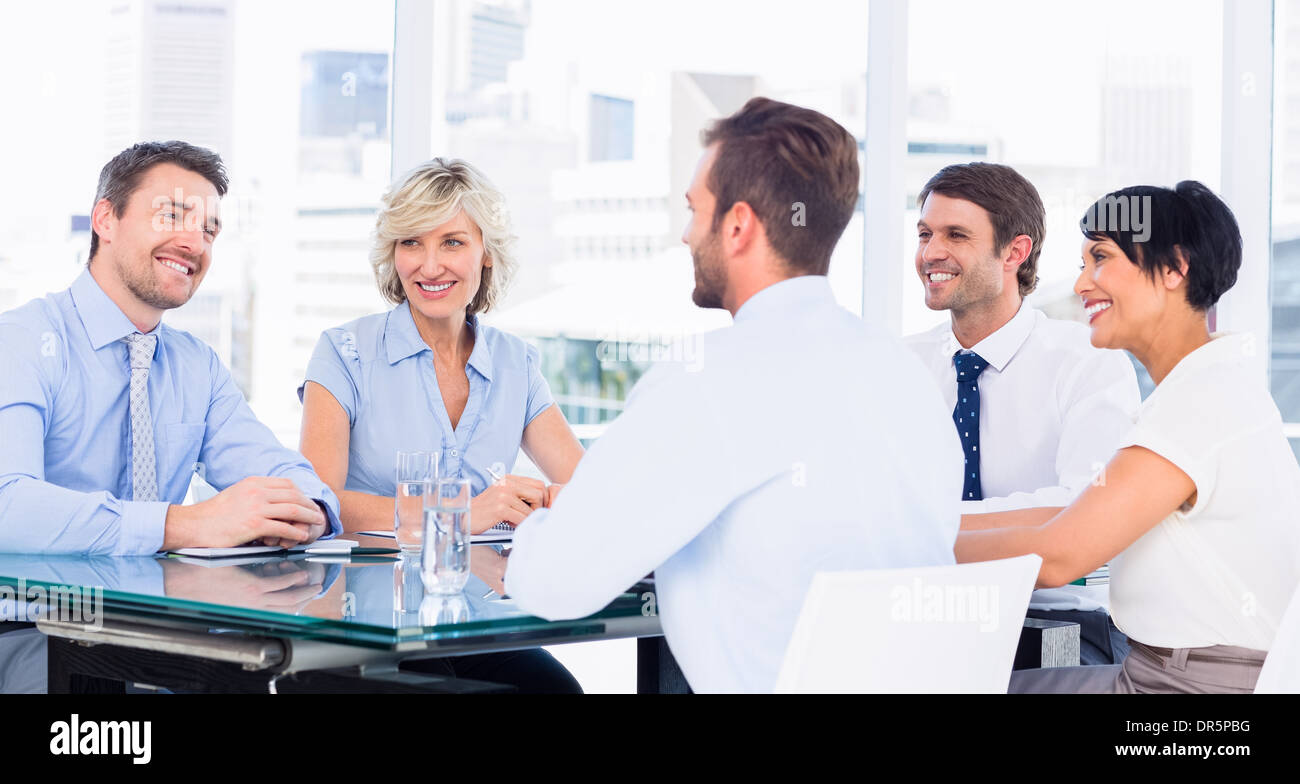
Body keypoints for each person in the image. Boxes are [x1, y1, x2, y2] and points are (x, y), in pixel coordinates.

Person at [503, 97, 962, 693]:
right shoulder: (905, 375)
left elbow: (553, 583)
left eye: (696, 210)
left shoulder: (705, 380)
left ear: (738, 224)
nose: (687, 232)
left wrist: (534, 522)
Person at [956, 181, 1300, 693]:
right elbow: (1076, 514)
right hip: (1157, 674)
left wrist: (906, 545)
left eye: (1100, 258)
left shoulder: (1201, 403)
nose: (1080, 285)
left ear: (1174, 268)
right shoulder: (1197, 389)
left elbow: (1060, 555)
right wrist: (923, 528)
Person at [297, 157, 585, 693]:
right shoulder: (344, 353)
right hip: (364, 629)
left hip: (471, 621)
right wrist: (458, 516)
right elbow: (320, 503)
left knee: (558, 693)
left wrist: (551, 501)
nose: (429, 266)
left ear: (487, 254)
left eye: (452, 242)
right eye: (411, 243)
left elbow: (586, 485)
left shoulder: (515, 363)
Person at [0, 141, 340, 556]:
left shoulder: (197, 367)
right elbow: (8, 505)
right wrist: (188, 524)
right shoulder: (21, 342)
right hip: (33, 615)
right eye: (172, 216)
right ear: (106, 220)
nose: (194, 244)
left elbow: (286, 475)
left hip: (162, 616)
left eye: (208, 230)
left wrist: (310, 513)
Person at [905, 162, 1140, 665]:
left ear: (1015, 251)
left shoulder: (1087, 361)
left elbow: (1083, 511)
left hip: (1053, 622)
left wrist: (926, 530)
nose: (930, 253)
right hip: (919, 612)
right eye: (924, 233)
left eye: (956, 235)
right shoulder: (900, 368)